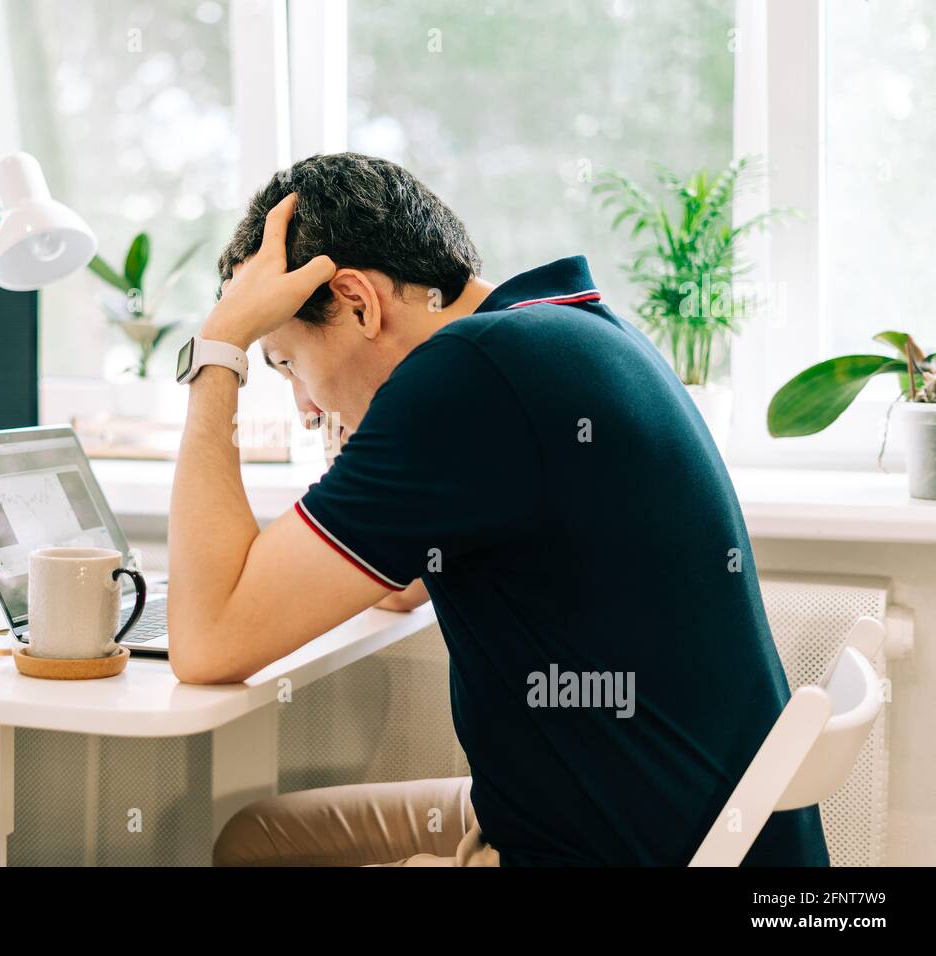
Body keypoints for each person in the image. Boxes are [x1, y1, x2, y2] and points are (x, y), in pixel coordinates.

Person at [166, 152, 828, 866]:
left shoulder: (467, 378)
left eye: (288, 362)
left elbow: (207, 644)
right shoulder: (556, 327)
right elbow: (402, 584)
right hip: (687, 829)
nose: (302, 408)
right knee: (256, 840)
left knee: (250, 850)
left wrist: (219, 348)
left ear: (358, 302)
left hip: (611, 850)